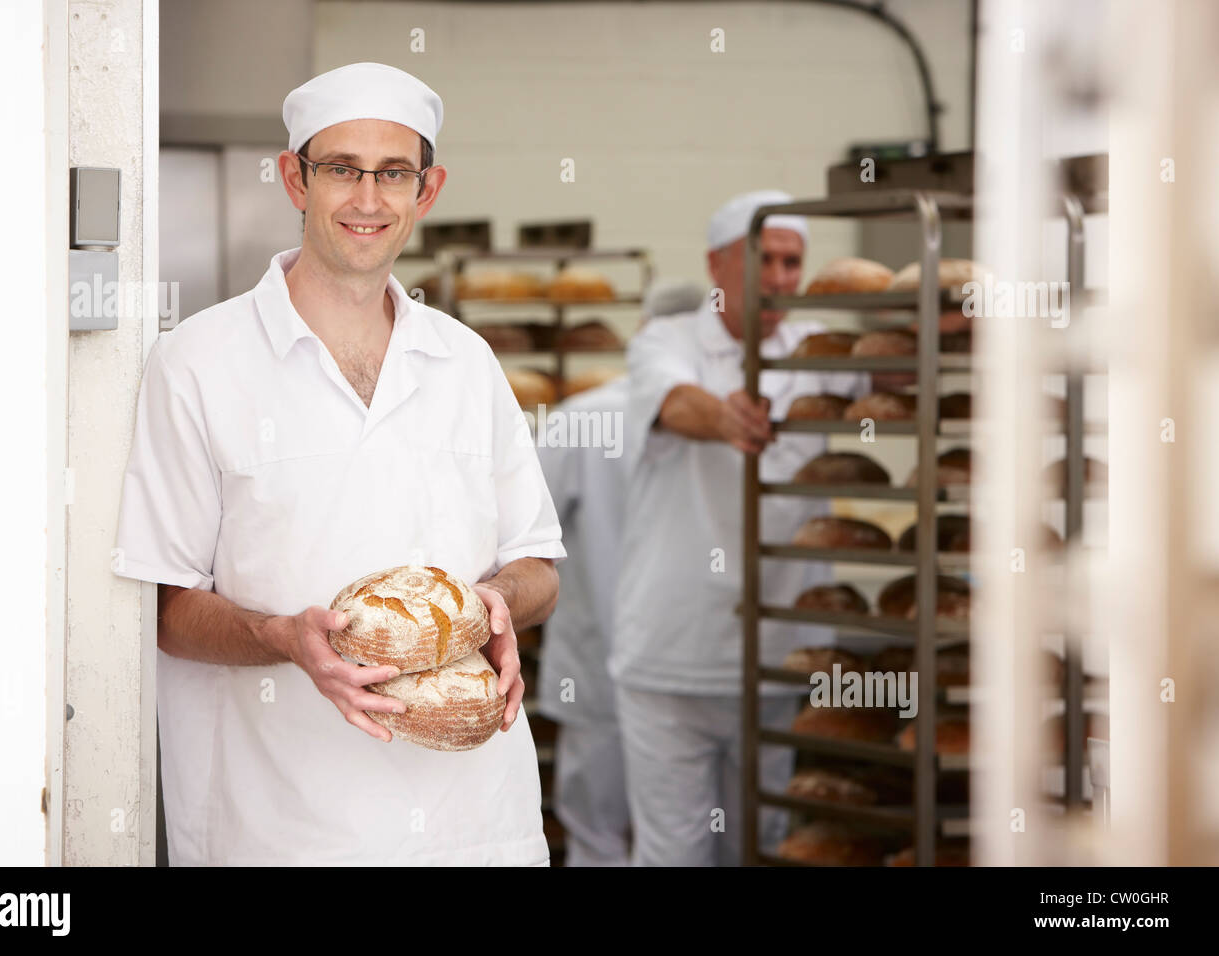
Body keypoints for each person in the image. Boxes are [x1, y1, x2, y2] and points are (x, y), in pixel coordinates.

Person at [113, 62, 565, 865]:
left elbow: (538, 565)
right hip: (279, 829)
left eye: (393, 173)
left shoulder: (466, 361)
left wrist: (492, 603)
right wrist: (283, 635)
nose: (368, 199)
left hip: (475, 830)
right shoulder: (197, 362)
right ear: (295, 177)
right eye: (341, 170)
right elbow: (163, 607)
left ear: (427, 191)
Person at [610, 190, 871, 866]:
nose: (783, 279)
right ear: (717, 266)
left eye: (794, 263)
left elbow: (894, 375)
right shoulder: (666, 342)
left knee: (760, 847)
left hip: (775, 659)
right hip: (671, 659)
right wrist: (727, 417)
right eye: (768, 260)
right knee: (674, 854)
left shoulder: (820, 352)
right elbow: (674, 401)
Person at [534, 280, 706, 866]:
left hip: (597, 665)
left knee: (596, 832)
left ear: (642, 330)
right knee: (699, 834)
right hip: (695, 669)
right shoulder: (731, 422)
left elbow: (523, 535)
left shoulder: (582, 417)